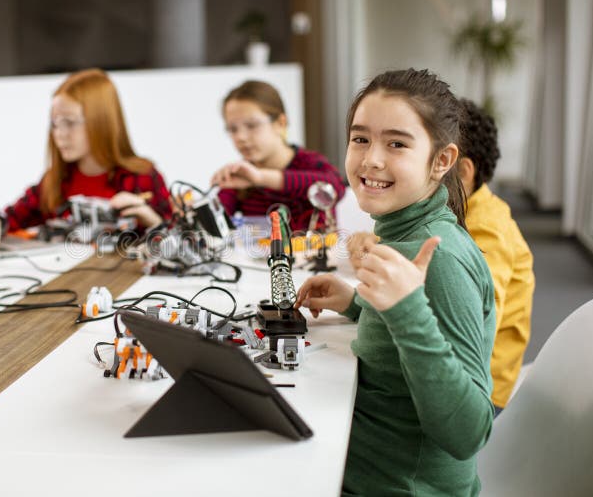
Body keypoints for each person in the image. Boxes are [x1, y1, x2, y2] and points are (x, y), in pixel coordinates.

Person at [296, 69, 496, 496]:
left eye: (397, 144)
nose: (370, 159)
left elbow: (470, 432)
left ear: (442, 161)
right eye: (360, 138)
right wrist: (357, 303)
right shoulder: (401, 233)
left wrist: (406, 311)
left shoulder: (440, 260)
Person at [0, 69, 172, 247]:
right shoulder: (56, 180)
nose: (59, 134)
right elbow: (11, 217)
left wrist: (154, 222)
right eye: (55, 123)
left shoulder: (143, 179)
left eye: (70, 122)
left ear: (101, 122)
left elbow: (184, 245)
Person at [457, 98, 535, 414]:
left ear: (462, 171)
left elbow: (476, 325)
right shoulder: (459, 210)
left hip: (483, 394)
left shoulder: (488, 229)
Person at [210, 80, 345, 232]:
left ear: (280, 123)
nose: (241, 137)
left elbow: (335, 189)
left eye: (251, 125)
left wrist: (261, 178)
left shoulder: (311, 163)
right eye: (233, 129)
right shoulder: (241, 175)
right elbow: (216, 221)